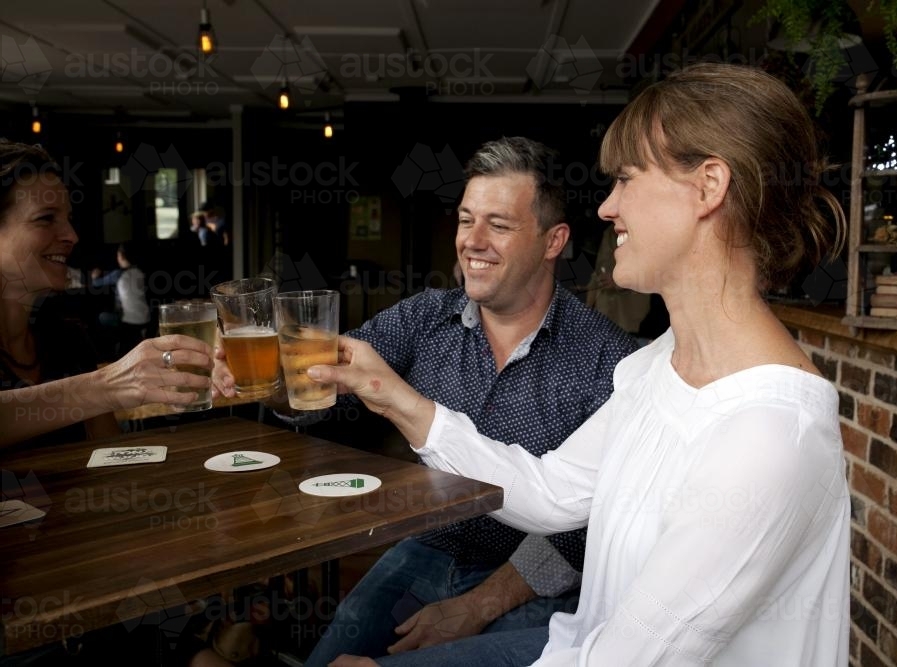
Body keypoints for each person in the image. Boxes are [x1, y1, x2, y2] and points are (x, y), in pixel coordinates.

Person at [309, 63, 851, 666]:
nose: (608, 207)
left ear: (708, 187)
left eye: (627, 178)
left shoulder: (769, 435)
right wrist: (390, 394)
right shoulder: (654, 367)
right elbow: (548, 491)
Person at [212, 137, 638, 667]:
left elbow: (594, 526)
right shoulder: (424, 317)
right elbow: (327, 393)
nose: (473, 242)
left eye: (499, 225)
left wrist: (478, 605)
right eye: (465, 220)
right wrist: (271, 380)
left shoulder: (608, 358)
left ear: (554, 242)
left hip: (530, 577)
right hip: (429, 546)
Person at [0, 139, 213, 451]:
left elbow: (111, 458)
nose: (71, 236)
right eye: (46, 218)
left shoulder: (67, 338)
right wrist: (108, 384)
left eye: (68, 219)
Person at [584, 224, 651, 340]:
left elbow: (653, 272)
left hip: (630, 321)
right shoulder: (610, 232)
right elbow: (599, 272)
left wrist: (619, 282)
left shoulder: (646, 232)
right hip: (604, 317)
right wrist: (586, 314)